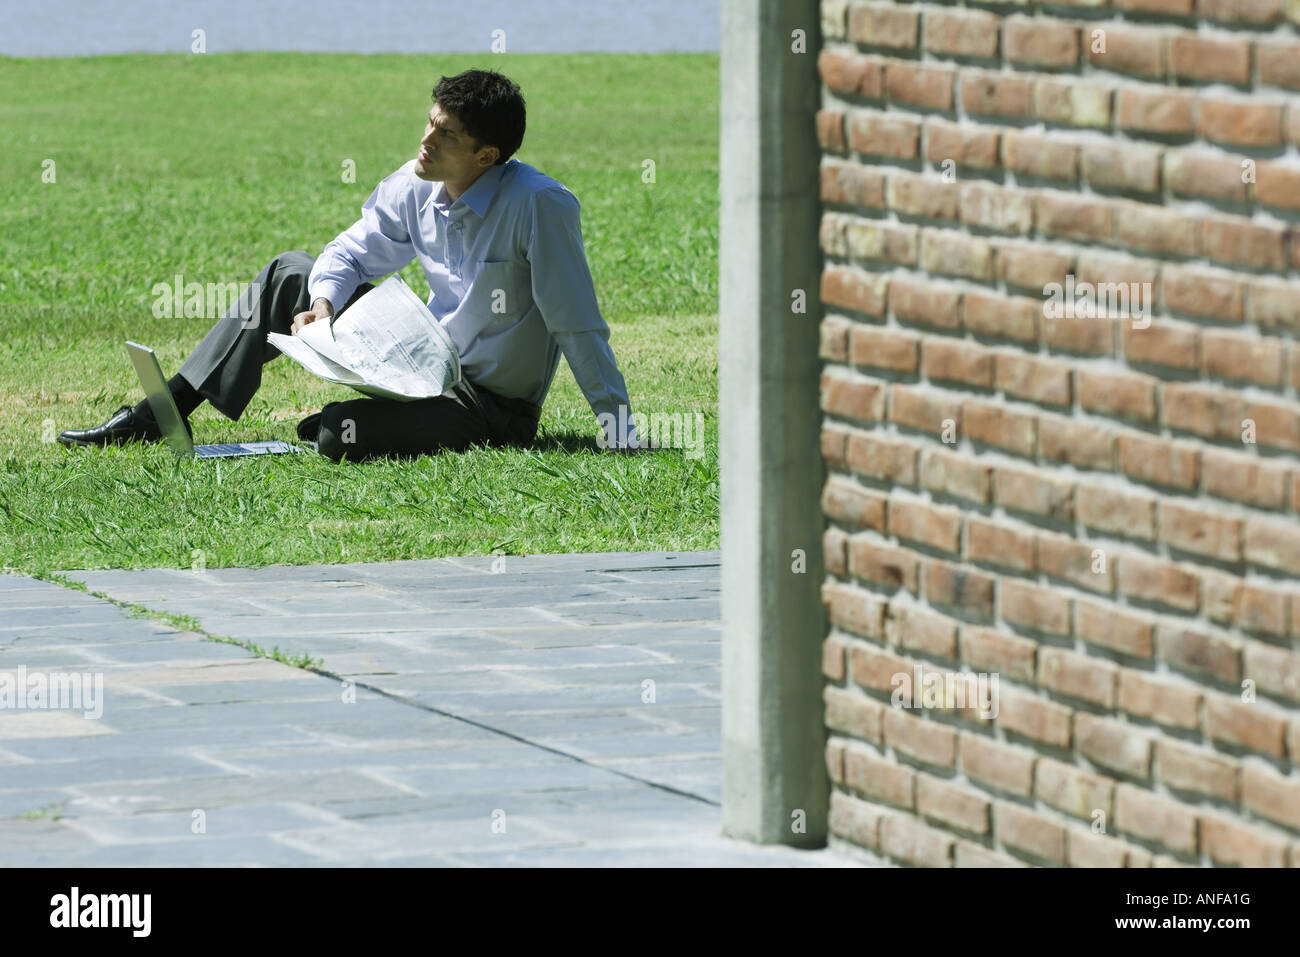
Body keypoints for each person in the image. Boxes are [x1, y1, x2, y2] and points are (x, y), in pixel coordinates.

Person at [59, 68, 641, 461]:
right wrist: (321, 306)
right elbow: (351, 252)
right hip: (415, 357)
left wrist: (617, 428)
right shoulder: (419, 180)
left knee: (338, 432)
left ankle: (334, 422)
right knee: (293, 269)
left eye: (447, 134)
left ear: (487, 156)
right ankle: (163, 412)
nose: (427, 140)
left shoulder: (540, 205)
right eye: (431, 122)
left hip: (484, 404)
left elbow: (576, 324)